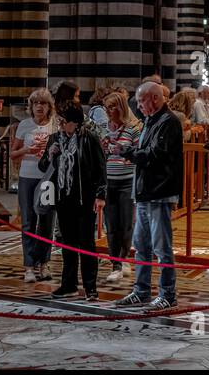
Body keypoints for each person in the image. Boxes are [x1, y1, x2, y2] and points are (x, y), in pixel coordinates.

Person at [115, 81, 183, 312]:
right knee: (141, 246)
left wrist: (126, 152)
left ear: (153, 98)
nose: (138, 105)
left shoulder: (169, 122)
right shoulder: (150, 120)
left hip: (159, 193)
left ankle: (168, 294)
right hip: (145, 193)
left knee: (162, 248)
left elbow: (156, 155)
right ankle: (141, 290)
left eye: (140, 101)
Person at [39, 101, 106, 301]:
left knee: (86, 244)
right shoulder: (54, 139)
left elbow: (99, 168)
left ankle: (90, 287)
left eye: (64, 121)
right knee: (67, 244)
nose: (60, 124)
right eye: (59, 120)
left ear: (75, 123)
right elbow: (44, 167)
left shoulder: (89, 139)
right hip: (63, 198)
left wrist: (100, 195)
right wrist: (50, 156)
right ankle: (68, 285)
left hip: (84, 198)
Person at [10, 88, 58, 282]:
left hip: (47, 178)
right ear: (31, 106)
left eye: (43, 103)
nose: (39, 107)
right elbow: (13, 154)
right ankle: (29, 266)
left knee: (46, 221)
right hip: (27, 177)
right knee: (29, 221)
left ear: (49, 107)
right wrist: (27, 149)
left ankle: (44, 264)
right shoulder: (24, 125)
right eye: (36, 103)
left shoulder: (54, 126)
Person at [99, 89, 141, 284]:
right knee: (111, 224)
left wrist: (122, 151)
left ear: (121, 108)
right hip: (108, 181)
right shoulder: (102, 129)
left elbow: (138, 155)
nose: (109, 111)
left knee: (126, 223)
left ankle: (124, 258)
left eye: (113, 107)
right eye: (107, 107)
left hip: (126, 181)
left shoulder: (133, 129)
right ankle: (115, 263)